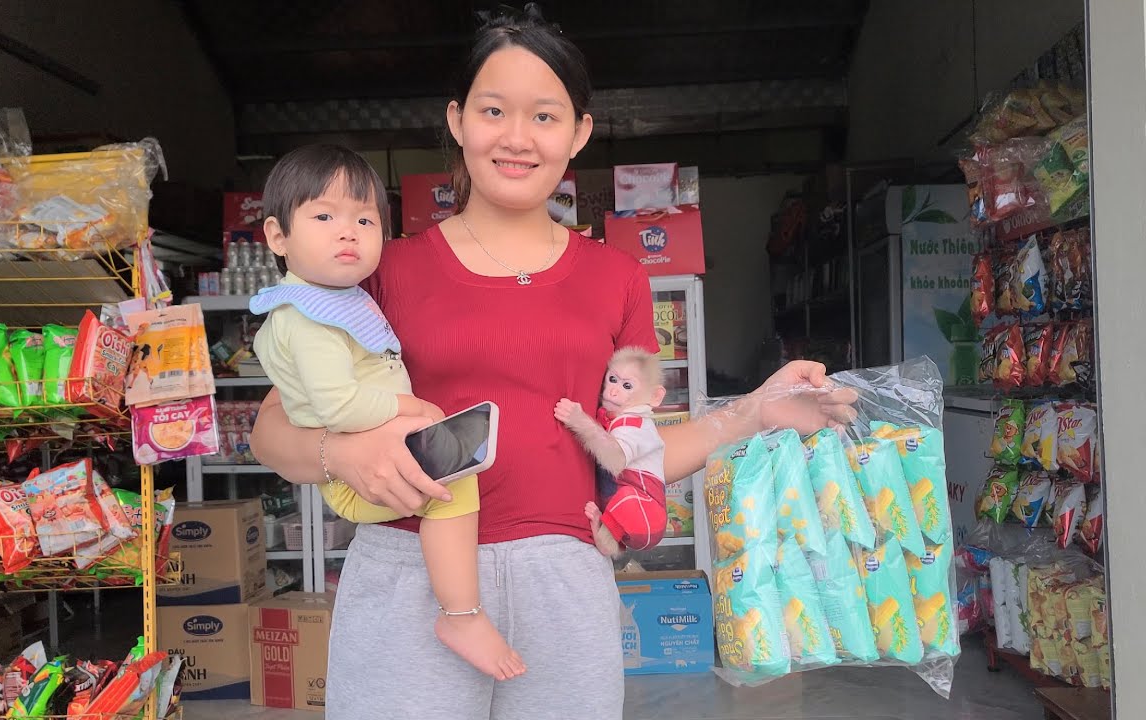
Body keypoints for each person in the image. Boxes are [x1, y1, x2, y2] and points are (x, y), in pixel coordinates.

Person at [247, 5, 857, 719]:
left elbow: (636, 448)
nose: (516, 138)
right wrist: (339, 454)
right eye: (494, 110)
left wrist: (753, 412)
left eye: (544, 116)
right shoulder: (384, 271)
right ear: (457, 119)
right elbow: (269, 428)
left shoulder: (619, 280)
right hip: (410, 575)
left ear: (579, 132)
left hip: (563, 582)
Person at [247, 144, 524, 681]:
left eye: (365, 219)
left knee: (453, 464)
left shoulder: (337, 299)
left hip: (375, 448)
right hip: (353, 476)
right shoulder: (308, 317)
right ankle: (460, 615)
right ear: (278, 237)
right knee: (453, 488)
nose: (347, 231)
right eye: (324, 216)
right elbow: (335, 405)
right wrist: (406, 406)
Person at [554, 346, 668, 557]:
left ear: (654, 396)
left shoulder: (636, 424)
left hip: (644, 513)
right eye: (612, 379)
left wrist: (580, 421)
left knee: (624, 496)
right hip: (625, 508)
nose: (614, 391)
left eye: (627, 386)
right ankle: (610, 532)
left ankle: (608, 542)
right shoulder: (616, 419)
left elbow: (615, 459)